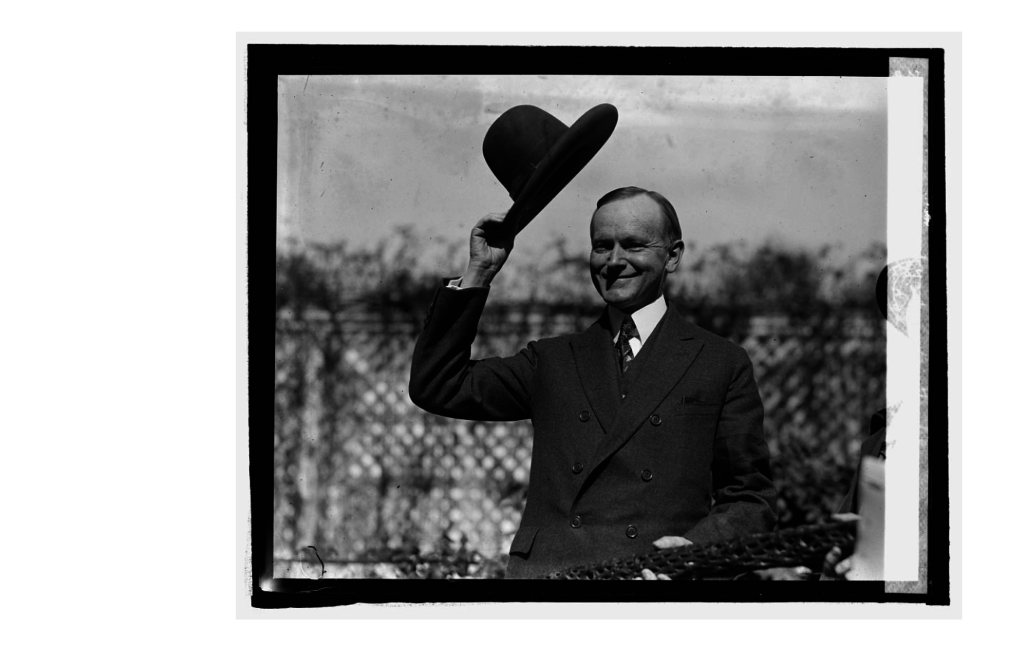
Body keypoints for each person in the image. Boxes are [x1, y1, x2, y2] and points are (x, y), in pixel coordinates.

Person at [410, 186, 778, 579]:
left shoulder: (719, 362)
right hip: (552, 590)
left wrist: (692, 554)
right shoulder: (551, 360)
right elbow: (439, 384)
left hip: (659, 588)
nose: (614, 261)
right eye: (602, 246)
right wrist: (479, 271)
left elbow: (750, 501)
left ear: (672, 256)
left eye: (634, 245)